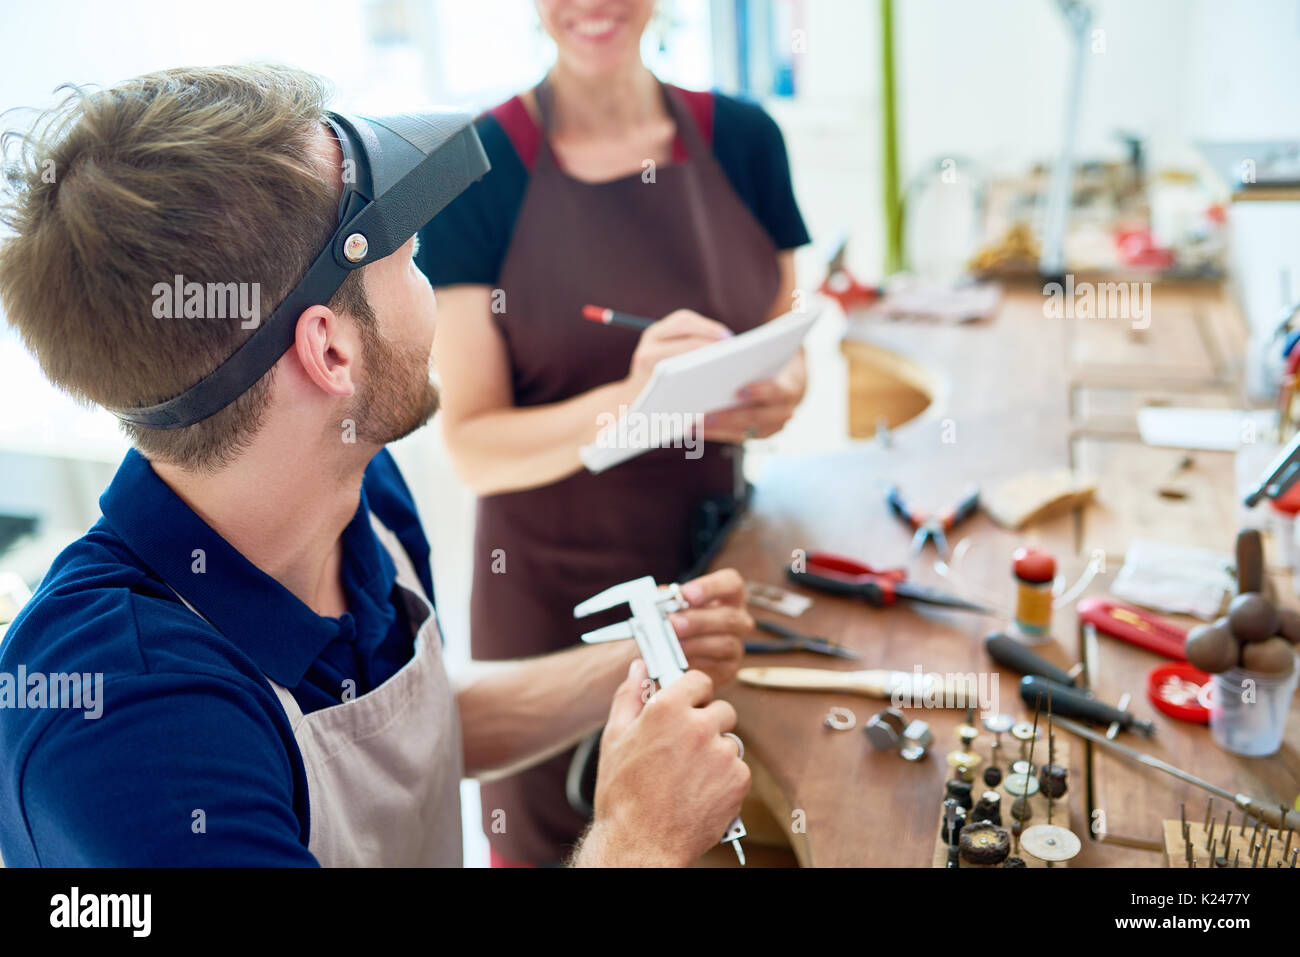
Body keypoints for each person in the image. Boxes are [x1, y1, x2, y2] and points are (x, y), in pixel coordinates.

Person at [0, 63, 753, 867]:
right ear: (330, 349)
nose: (429, 290)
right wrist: (635, 840)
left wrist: (644, 656)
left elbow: (411, 730)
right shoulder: (132, 731)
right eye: (412, 259)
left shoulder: (350, 485)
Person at [417, 0, 811, 864]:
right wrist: (636, 402)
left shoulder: (746, 140)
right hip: (553, 604)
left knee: (734, 827)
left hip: (714, 575)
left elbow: (785, 345)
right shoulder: (473, 169)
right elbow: (473, 441)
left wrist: (775, 392)